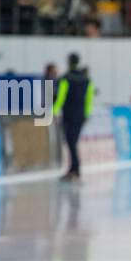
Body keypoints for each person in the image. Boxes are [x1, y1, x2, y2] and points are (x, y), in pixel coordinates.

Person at [53, 53, 95, 182]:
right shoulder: (87, 79)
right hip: (81, 115)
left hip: (69, 115)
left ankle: (75, 170)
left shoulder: (66, 78)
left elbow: (61, 97)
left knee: (70, 142)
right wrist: (87, 113)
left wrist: (54, 111)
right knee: (73, 142)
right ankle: (73, 169)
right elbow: (89, 98)